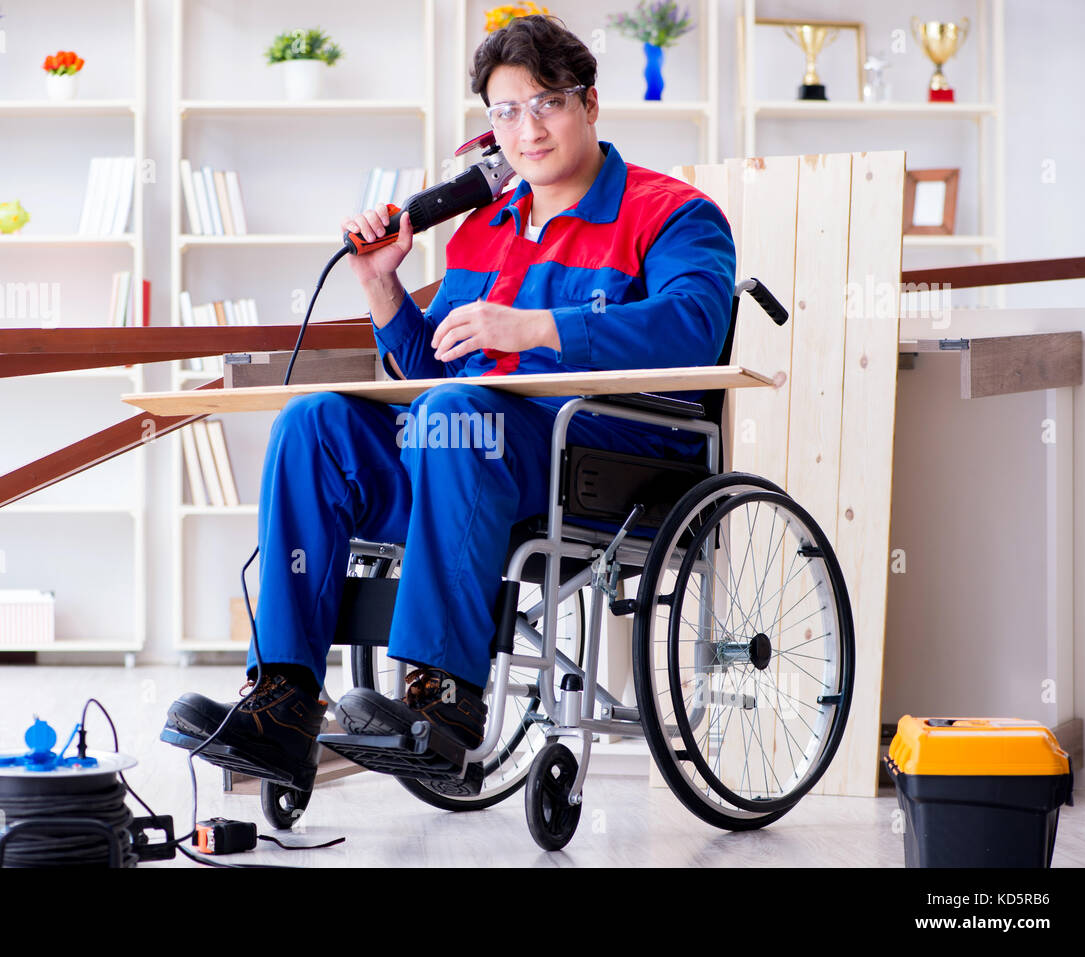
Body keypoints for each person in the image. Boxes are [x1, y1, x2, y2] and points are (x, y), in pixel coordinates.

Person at [163, 15, 737, 790]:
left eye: (546, 104)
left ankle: (443, 701)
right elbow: (430, 366)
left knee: (454, 417)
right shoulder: (486, 232)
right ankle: (283, 701)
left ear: (591, 104)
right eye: (505, 112)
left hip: (602, 458)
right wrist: (381, 283)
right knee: (314, 422)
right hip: (463, 453)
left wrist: (538, 326)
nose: (526, 130)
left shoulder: (672, 212)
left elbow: (692, 329)